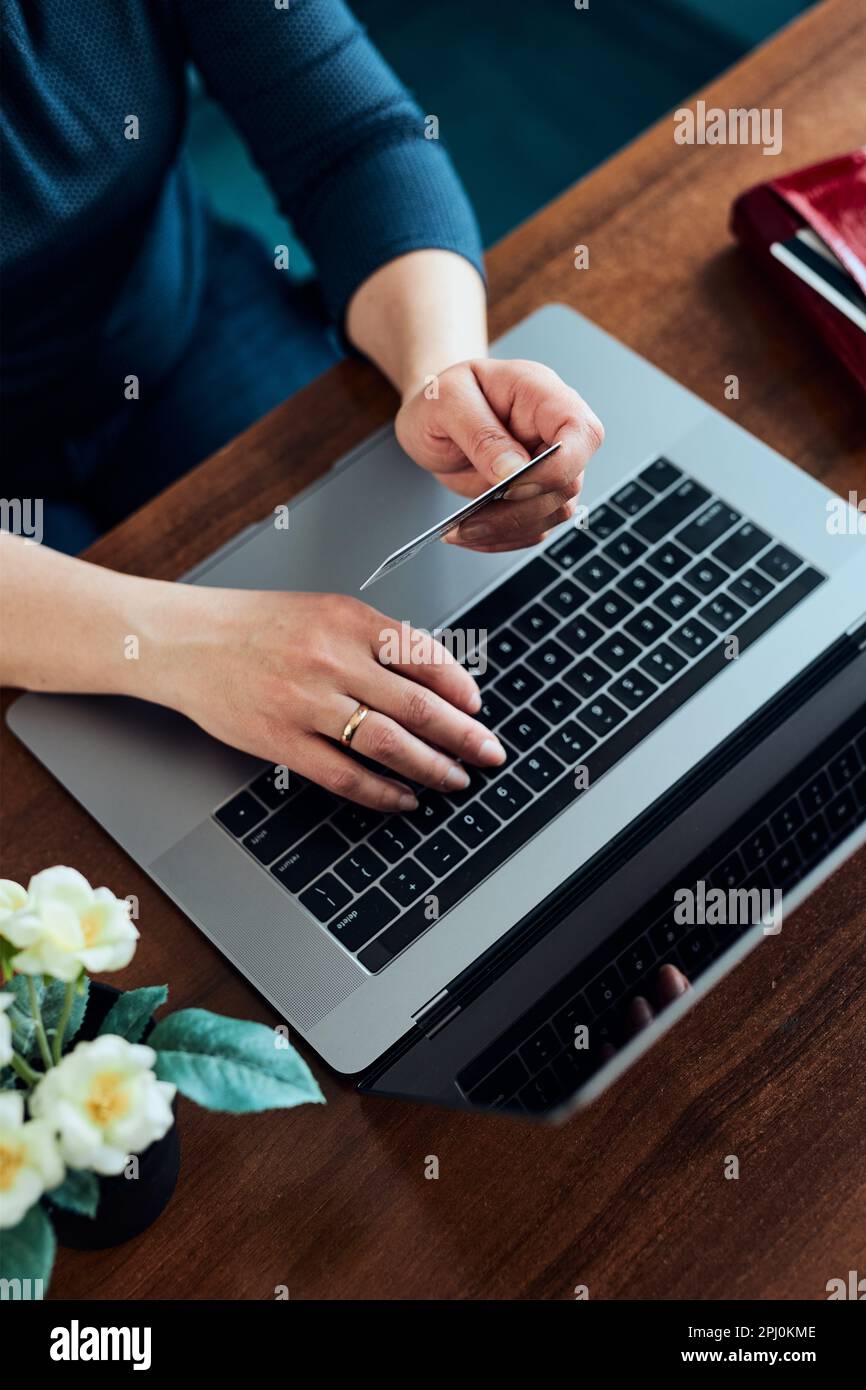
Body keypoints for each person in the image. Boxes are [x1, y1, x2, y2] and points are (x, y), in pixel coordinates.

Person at [0, 0, 603, 811]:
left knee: (447, 611)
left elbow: (349, 143)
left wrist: (444, 370)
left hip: (179, 322)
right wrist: (182, 642)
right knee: (116, 787)